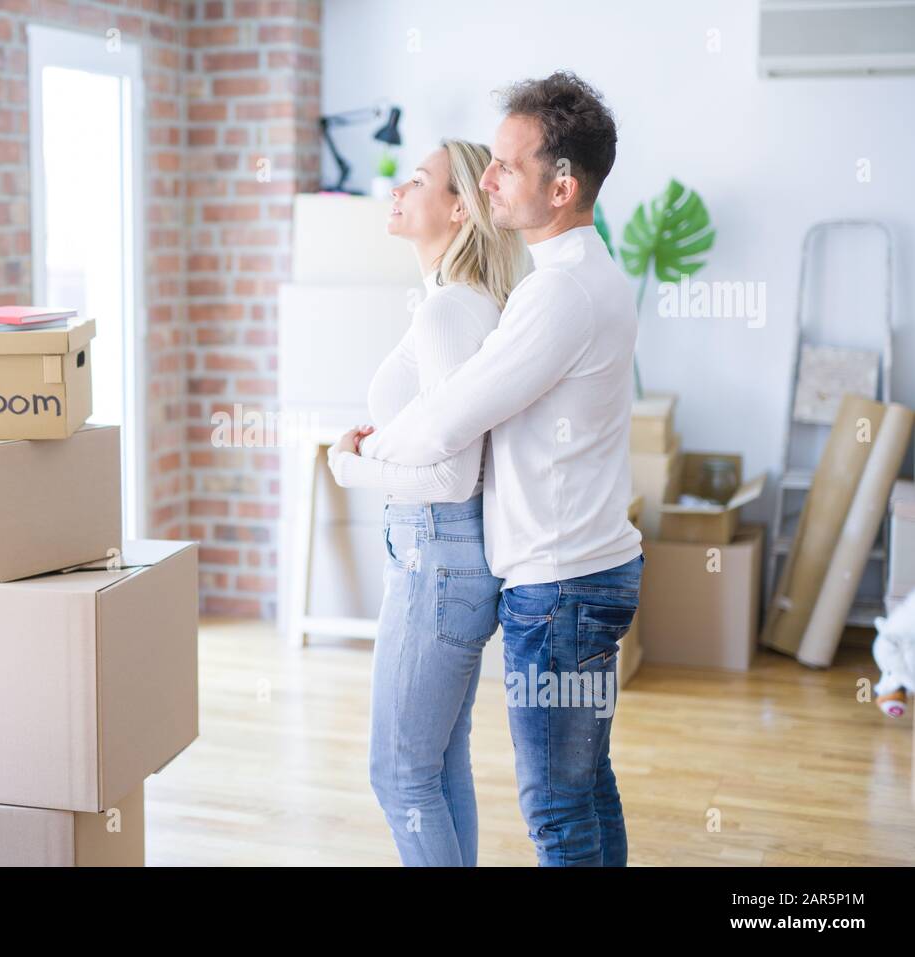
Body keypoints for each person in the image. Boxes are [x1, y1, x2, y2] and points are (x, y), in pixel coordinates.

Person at [352, 72, 645, 867]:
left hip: (560, 588)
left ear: (563, 186)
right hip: (586, 573)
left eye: (506, 165)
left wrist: (358, 454)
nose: (488, 177)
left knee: (556, 809)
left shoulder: (558, 297)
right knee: (586, 790)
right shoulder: (582, 279)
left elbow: (452, 420)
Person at [327, 138, 527, 866]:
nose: (396, 190)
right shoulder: (459, 303)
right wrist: (387, 441)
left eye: (417, 180)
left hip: (434, 554)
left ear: (459, 207)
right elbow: (443, 435)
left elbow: (451, 475)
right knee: (438, 766)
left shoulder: (448, 311)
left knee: (399, 773)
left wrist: (353, 467)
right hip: (444, 558)